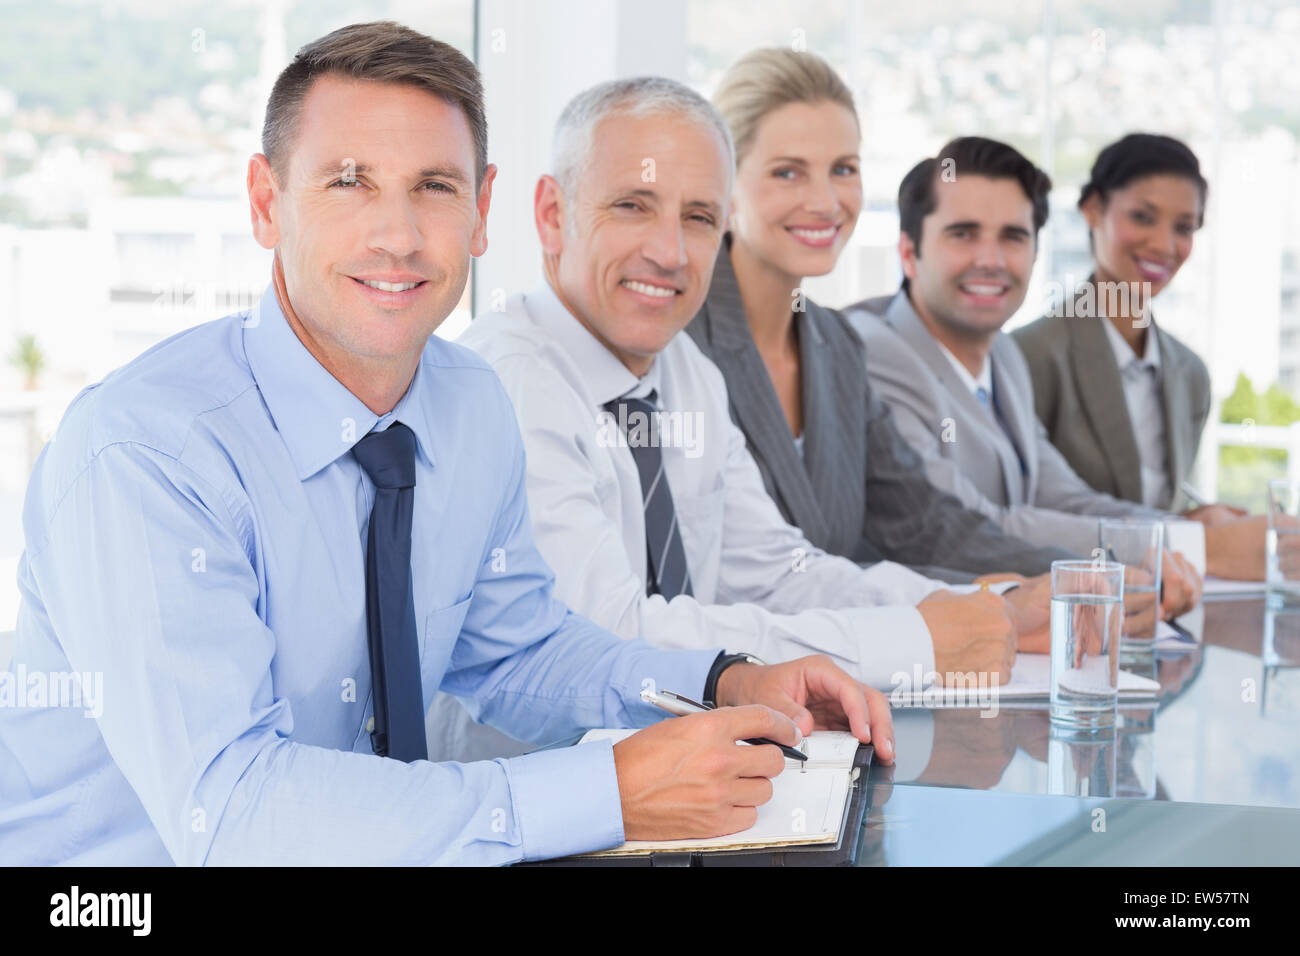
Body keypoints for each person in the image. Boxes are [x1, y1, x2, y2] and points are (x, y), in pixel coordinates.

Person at [0, 21, 895, 867]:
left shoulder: (468, 404)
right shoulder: (145, 453)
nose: (397, 236)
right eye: (349, 182)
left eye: (434, 186)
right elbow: (234, 813)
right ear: (267, 204)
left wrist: (721, 679)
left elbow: (516, 653)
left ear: (481, 212)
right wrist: (609, 790)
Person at [450, 75, 1049, 769]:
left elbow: (778, 572)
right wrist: (914, 640)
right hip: (540, 800)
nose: (670, 253)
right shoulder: (511, 380)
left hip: (693, 784)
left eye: (699, 218)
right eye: (633, 206)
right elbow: (610, 636)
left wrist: (970, 611)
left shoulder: (684, 370)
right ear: (553, 214)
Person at [685, 47, 1070, 584]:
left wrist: (1079, 581)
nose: (824, 201)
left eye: (843, 169)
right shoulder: (678, 338)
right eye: (788, 172)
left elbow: (921, 521)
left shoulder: (835, 344)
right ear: (725, 187)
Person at [844, 136, 1262, 586]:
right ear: (908, 254)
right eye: (963, 233)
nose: (991, 259)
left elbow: (1062, 497)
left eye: (1013, 236)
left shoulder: (1003, 356)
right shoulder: (873, 353)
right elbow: (971, 525)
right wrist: (1197, 548)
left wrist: (1190, 530)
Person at [1013, 133, 1236, 521]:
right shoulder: (1028, 357)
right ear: (1092, 209)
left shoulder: (1191, 374)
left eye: (1184, 228)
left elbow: (1160, 503)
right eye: (1142, 217)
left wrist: (1200, 518)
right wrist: (1187, 531)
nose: (1165, 246)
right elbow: (1026, 513)